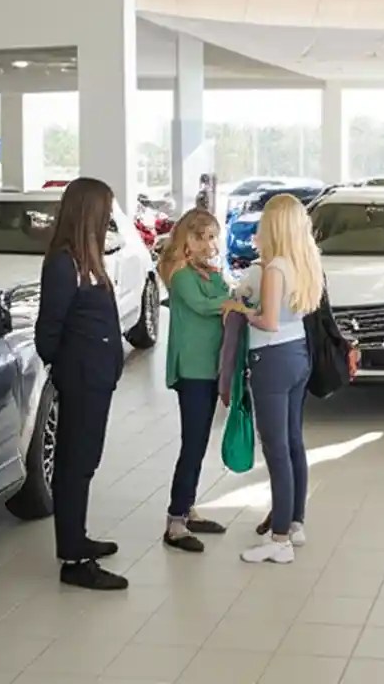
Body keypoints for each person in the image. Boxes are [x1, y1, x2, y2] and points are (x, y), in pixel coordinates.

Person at [34, 177, 128, 591]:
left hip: (97, 379)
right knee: (73, 466)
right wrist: (75, 365)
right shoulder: (63, 263)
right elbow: (47, 335)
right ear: (88, 212)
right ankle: (73, 559)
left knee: (85, 462)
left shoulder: (90, 259)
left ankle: (78, 536)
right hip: (82, 380)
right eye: (106, 209)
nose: (110, 216)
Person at [226, 193, 323, 565]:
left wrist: (240, 309)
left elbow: (266, 320)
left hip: (271, 358)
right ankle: (296, 522)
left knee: (276, 449)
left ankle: (279, 538)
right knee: (294, 442)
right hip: (298, 353)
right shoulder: (304, 261)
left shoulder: (274, 267)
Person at [158, 208, 231, 553]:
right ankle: (175, 521)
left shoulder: (210, 274)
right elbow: (205, 307)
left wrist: (233, 296)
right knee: (192, 444)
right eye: (199, 236)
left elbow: (223, 295)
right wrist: (235, 300)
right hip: (193, 371)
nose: (206, 243)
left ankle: (187, 507)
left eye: (212, 236)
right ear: (184, 239)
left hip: (210, 369)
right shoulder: (182, 276)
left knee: (200, 442)